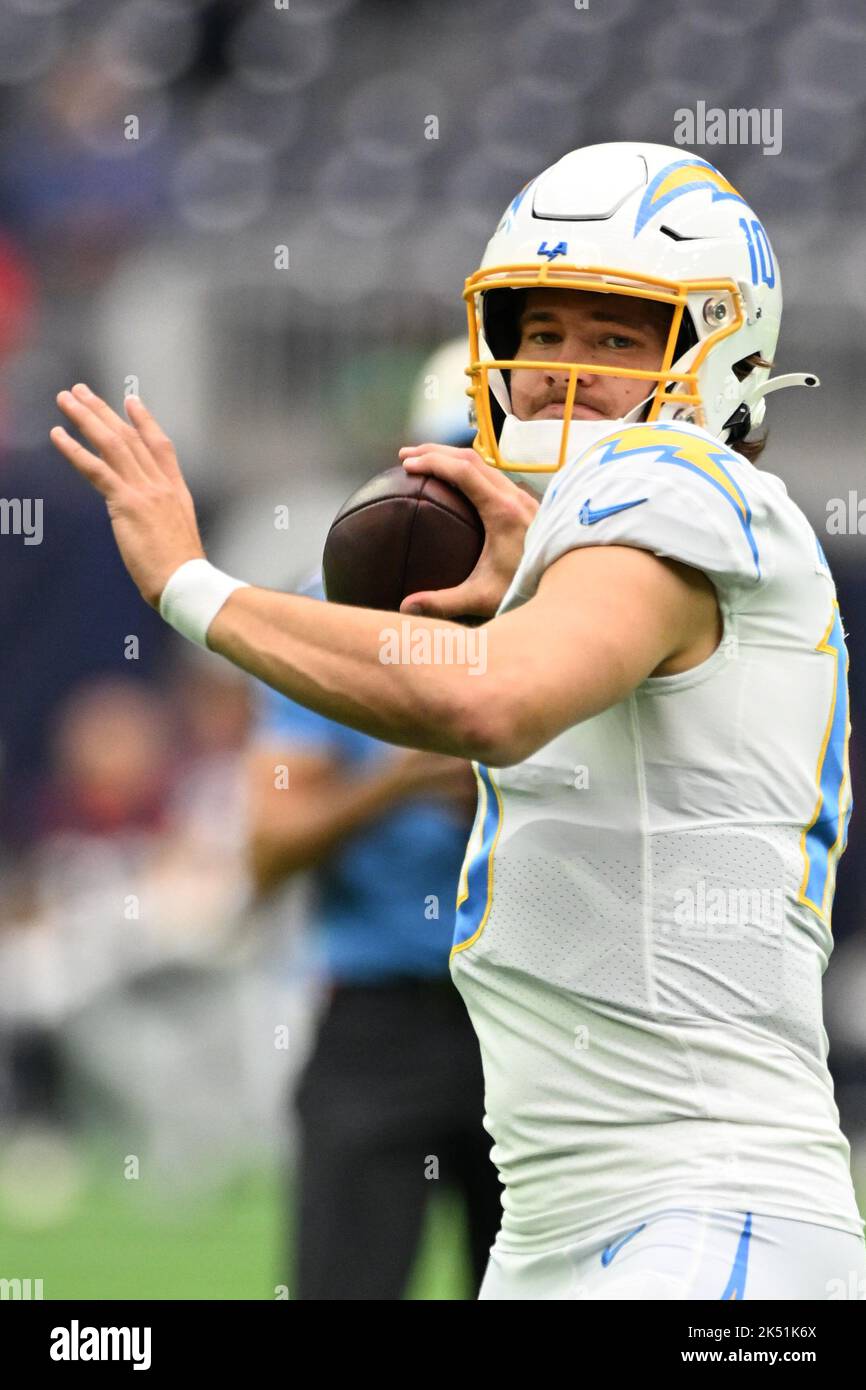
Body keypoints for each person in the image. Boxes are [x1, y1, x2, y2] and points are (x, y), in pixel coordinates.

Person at [51, 141, 866, 1300]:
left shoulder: (679, 482)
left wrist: (195, 585)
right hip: (574, 1218)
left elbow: (494, 696)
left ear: (718, 349)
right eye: (540, 331)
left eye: (616, 335)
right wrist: (534, 574)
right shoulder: (619, 529)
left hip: (697, 1209)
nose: (560, 369)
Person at [246, 346, 502, 1301]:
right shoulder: (341, 613)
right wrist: (397, 782)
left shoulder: (581, 616)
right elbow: (266, 845)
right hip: (382, 1011)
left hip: (543, 1016)